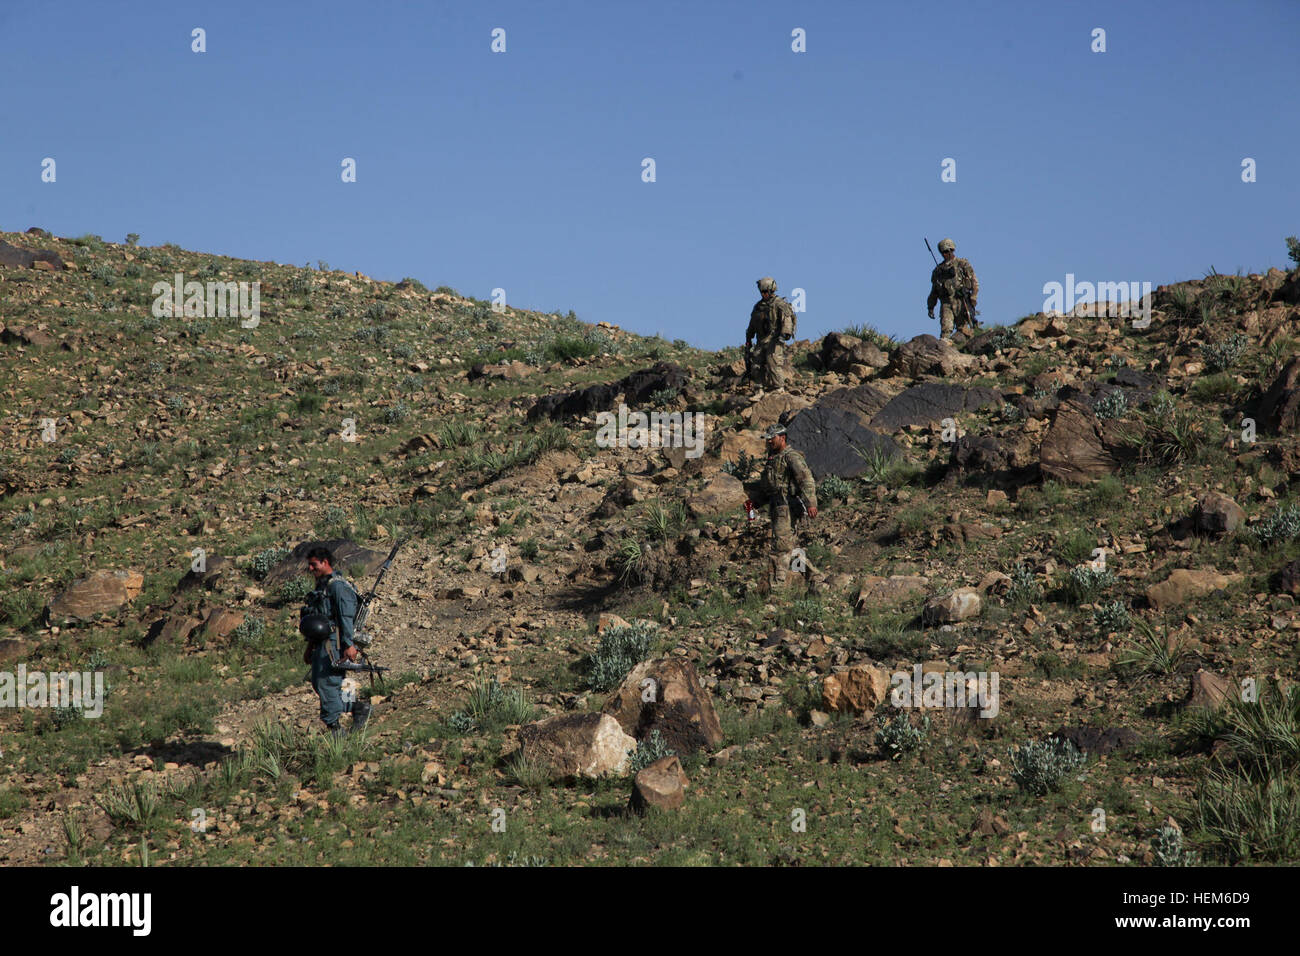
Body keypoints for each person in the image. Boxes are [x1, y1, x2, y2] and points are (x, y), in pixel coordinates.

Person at [300, 547, 370, 736]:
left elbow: (345, 617)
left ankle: (335, 729)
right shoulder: (322, 587)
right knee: (321, 682)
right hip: (321, 643)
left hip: (334, 643)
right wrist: (309, 648)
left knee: (327, 683)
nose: (310, 569)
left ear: (325, 563)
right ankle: (357, 707)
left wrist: (349, 644)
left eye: (314, 565)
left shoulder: (338, 586)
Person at [758, 423, 822, 592]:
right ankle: (814, 578)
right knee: (789, 548)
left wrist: (811, 504)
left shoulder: (791, 457)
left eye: (773, 438)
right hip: (777, 507)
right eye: (768, 439)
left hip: (787, 507)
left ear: (782, 438)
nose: (769, 442)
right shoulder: (773, 458)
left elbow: (805, 479)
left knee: (780, 548)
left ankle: (777, 588)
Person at [746, 276, 797, 389]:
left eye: (765, 291)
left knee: (772, 363)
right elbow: (752, 323)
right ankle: (759, 389)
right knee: (756, 365)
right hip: (761, 340)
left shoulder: (780, 304)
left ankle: (779, 388)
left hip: (775, 339)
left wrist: (785, 334)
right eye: (761, 292)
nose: (763, 294)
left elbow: (787, 319)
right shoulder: (758, 307)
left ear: (771, 290)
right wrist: (749, 337)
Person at [926, 238, 980, 342]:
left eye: (948, 251)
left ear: (952, 250)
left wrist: (974, 296)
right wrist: (931, 307)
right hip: (946, 303)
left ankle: (965, 348)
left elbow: (974, 281)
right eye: (943, 252)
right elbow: (934, 291)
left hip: (961, 301)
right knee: (945, 331)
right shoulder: (938, 270)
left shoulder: (962, 264)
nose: (946, 254)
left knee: (963, 329)